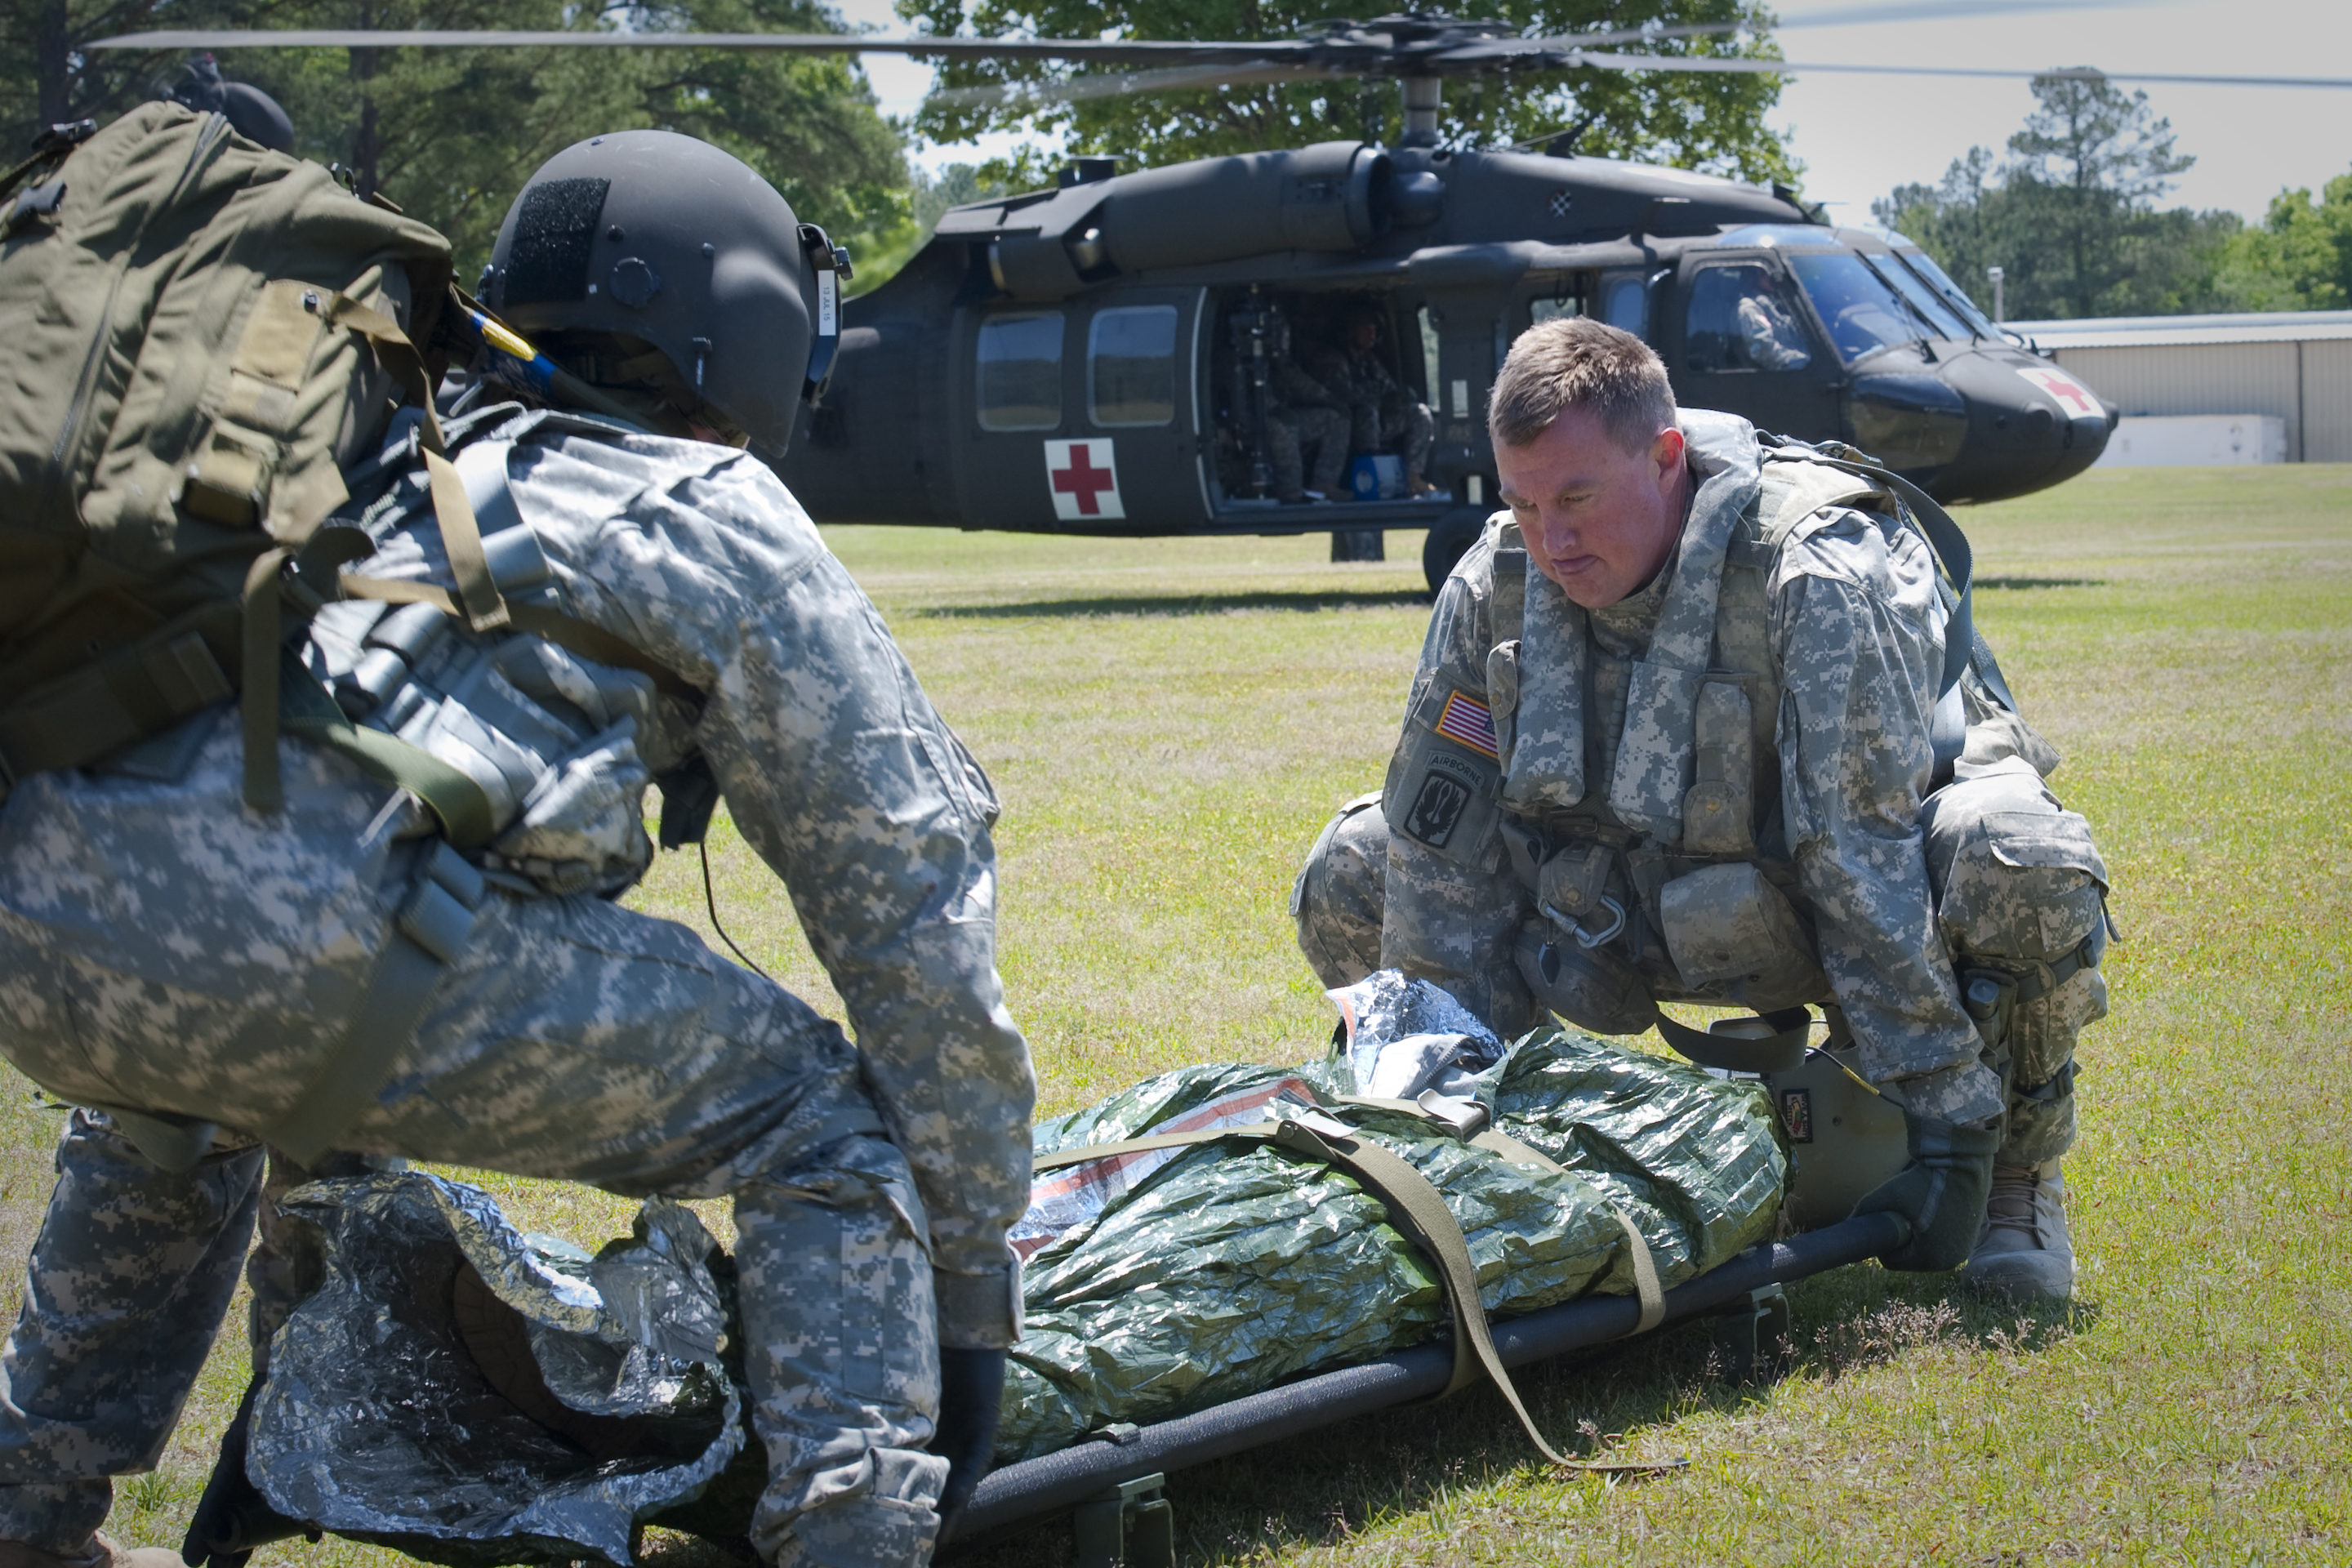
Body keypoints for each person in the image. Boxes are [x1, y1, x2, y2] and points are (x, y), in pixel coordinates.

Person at [0, 129, 1033, 1568]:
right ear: (744, 322)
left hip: (47, 905)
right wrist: (973, 1296)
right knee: (823, 1125)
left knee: (175, 1107)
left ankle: (24, 1518)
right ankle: (854, 1534)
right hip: (331, 936)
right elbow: (912, 929)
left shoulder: (370, 435)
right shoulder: (713, 510)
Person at [1291, 318, 2108, 1298]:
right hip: (1613, 907)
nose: (1551, 538)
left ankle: (2018, 1178)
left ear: (1667, 456)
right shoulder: (1495, 580)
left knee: (2012, 852)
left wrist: (1951, 1132)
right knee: (1359, 862)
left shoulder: (1819, 564)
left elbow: (1861, 853)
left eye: (1579, 498)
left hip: (1823, 903)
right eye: (1523, 500)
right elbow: (1441, 859)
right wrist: (1438, 1130)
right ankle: (1523, 1146)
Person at [1302, 304, 1437, 496]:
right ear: (1351, 331)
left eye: (1375, 330)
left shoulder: (1369, 361)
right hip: (1353, 424)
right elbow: (1344, 397)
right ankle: (1372, 475)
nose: (1372, 334)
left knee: (1419, 413)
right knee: (1367, 411)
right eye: (1366, 329)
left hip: (1377, 421)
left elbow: (1389, 390)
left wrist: (1399, 398)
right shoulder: (1333, 359)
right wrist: (1376, 399)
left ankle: (1413, 478)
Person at [1263, 321, 1350, 504]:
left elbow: (1299, 382)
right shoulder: (1239, 359)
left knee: (1336, 418)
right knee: (1285, 421)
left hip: (1285, 415)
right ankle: (1291, 493)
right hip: (1260, 420)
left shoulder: (1279, 362)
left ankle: (1324, 483)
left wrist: (1329, 399)